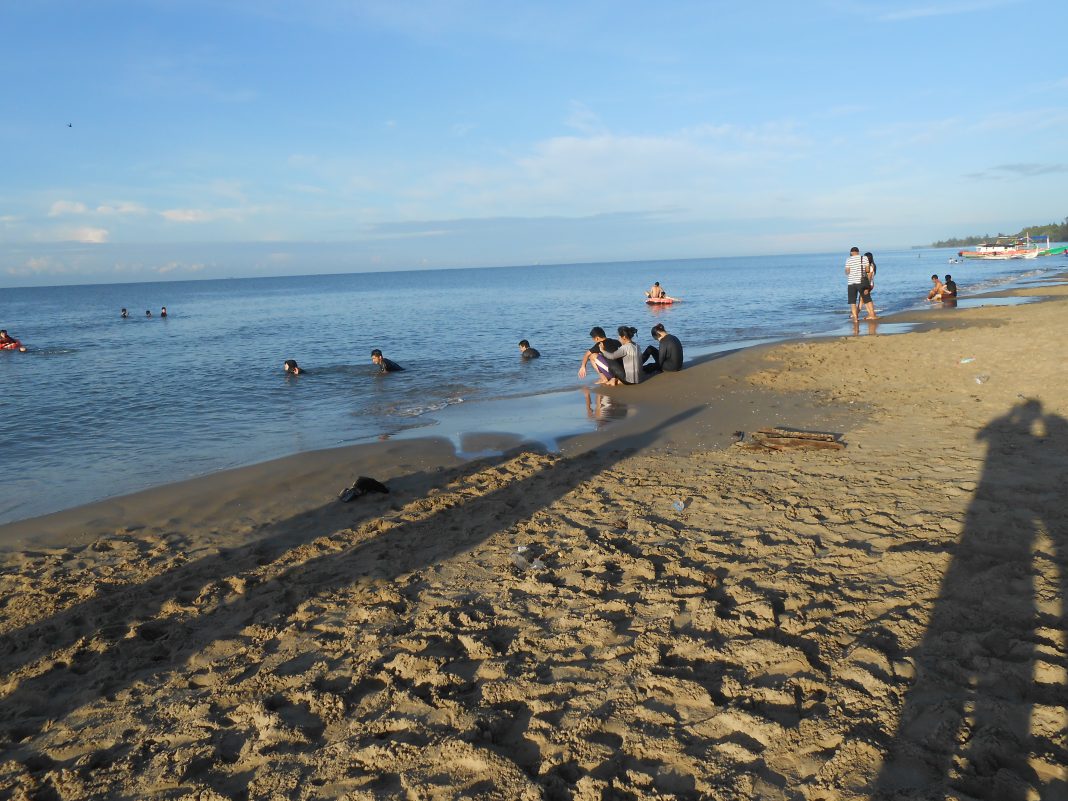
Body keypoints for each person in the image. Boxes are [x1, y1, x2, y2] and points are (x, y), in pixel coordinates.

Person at [844, 247, 865, 321]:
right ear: (858, 252)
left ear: (851, 252)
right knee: (865, 299)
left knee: (852, 302)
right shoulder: (864, 258)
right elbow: (867, 269)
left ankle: (855, 319)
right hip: (861, 282)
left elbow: (847, 272)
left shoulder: (848, 259)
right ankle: (869, 313)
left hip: (851, 283)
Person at [859, 252, 877, 320]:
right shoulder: (872, 265)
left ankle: (871, 314)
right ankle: (870, 313)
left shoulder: (870, 267)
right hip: (870, 284)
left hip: (868, 285)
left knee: (866, 299)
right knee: (863, 299)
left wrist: (867, 287)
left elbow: (869, 277)